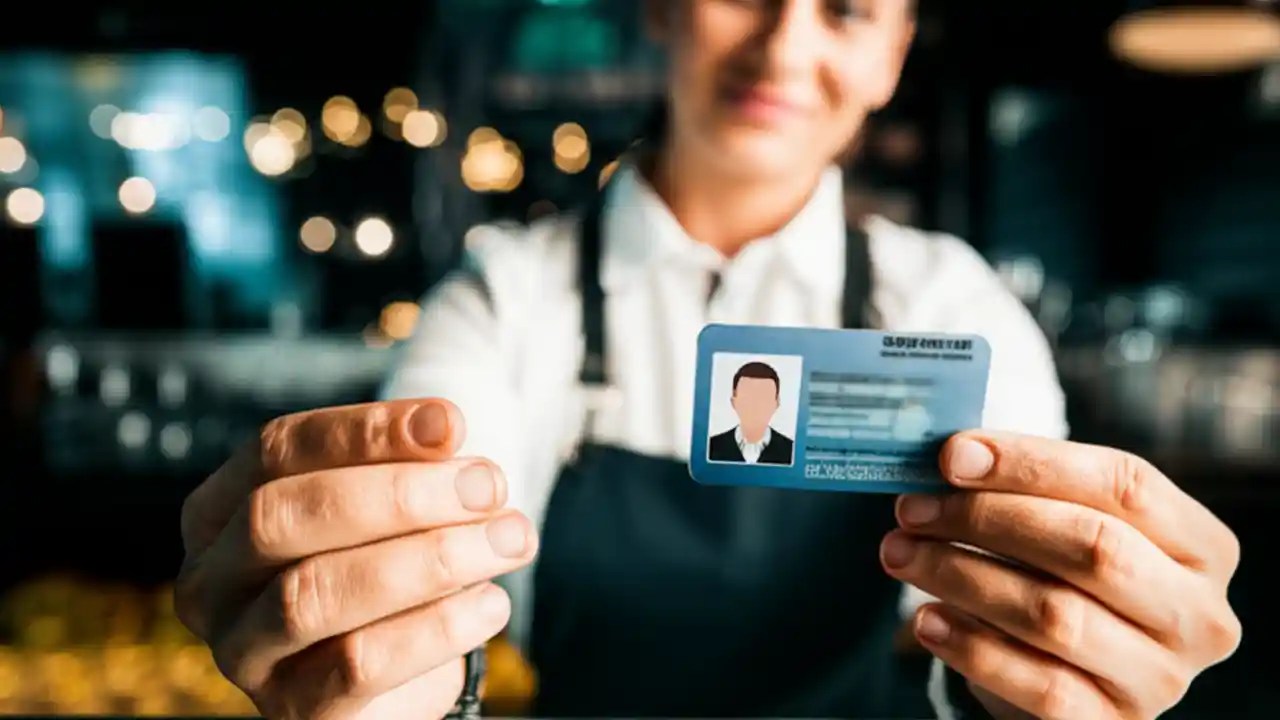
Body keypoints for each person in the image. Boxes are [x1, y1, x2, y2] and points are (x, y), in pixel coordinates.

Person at [175, 1, 1242, 718]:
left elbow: (1015, 613)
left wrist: (1061, 665)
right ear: (658, 10)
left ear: (889, 56)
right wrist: (364, 663)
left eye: (846, 10)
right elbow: (420, 587)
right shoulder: (503, 294)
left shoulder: (951, 304)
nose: (781, 47)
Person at [708, 361, 795, 465]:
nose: (755, 406)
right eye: (747, 398)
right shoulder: (710, 447)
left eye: (763, 398)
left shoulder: (792, 452)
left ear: (776, 403)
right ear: (733, 401)